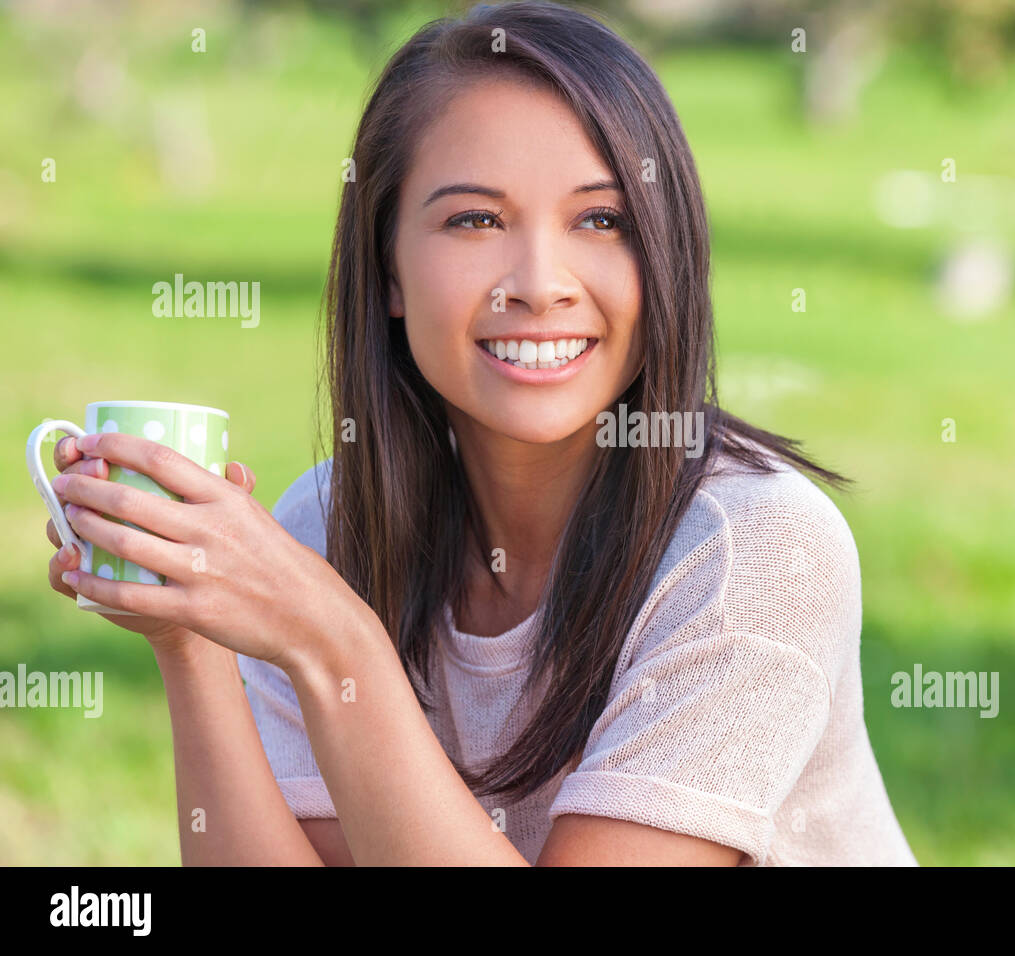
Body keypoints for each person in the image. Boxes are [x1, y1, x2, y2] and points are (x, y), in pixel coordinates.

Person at [43, 0, 916, 866]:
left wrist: (327, 636)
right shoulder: (328, 524)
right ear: (388, 268)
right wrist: (190, 634)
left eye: (601, 221)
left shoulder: (752, 552)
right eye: (476, 220)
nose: (540, 284)